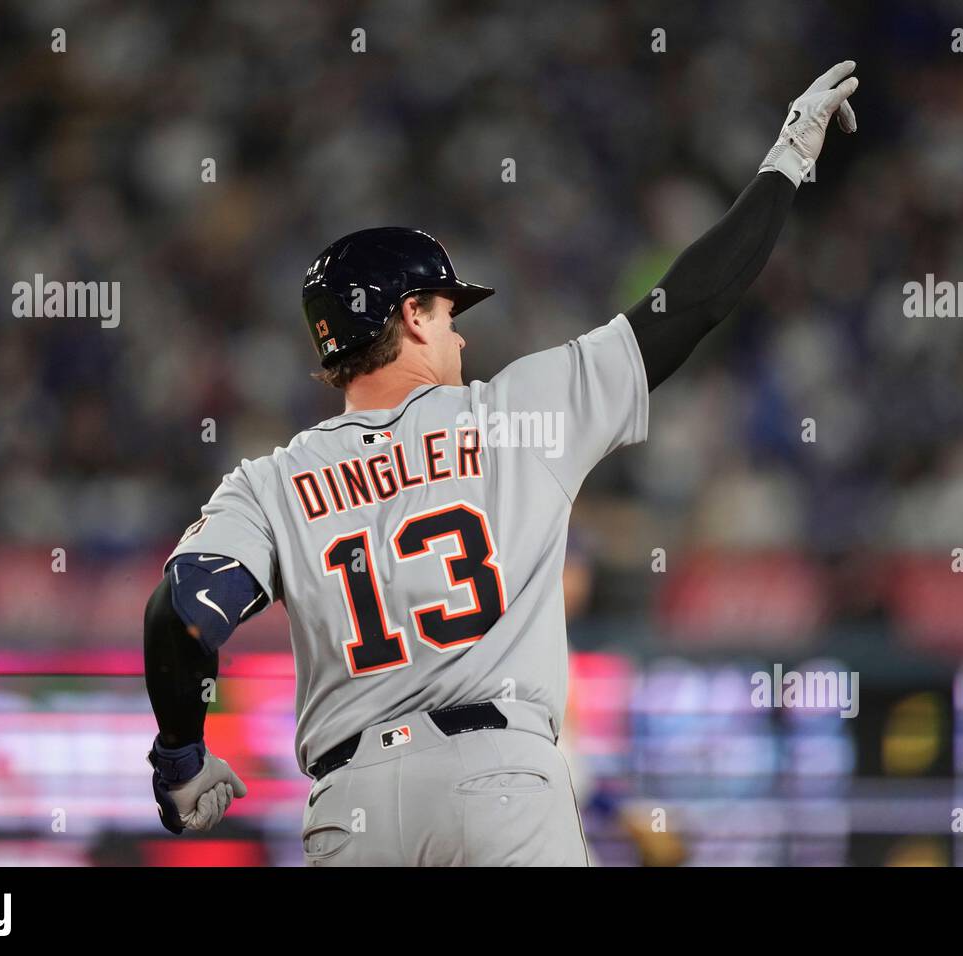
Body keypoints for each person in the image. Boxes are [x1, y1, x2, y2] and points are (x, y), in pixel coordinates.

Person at [142, 62, 859, 865]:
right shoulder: (516, 412)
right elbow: (689, 304)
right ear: (410, 316)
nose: (461, 336)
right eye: (447, 314)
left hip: (352, 809)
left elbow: (185, 614)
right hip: (501, 783)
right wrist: (786, 162)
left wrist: (181, 754)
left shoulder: (267, 483)